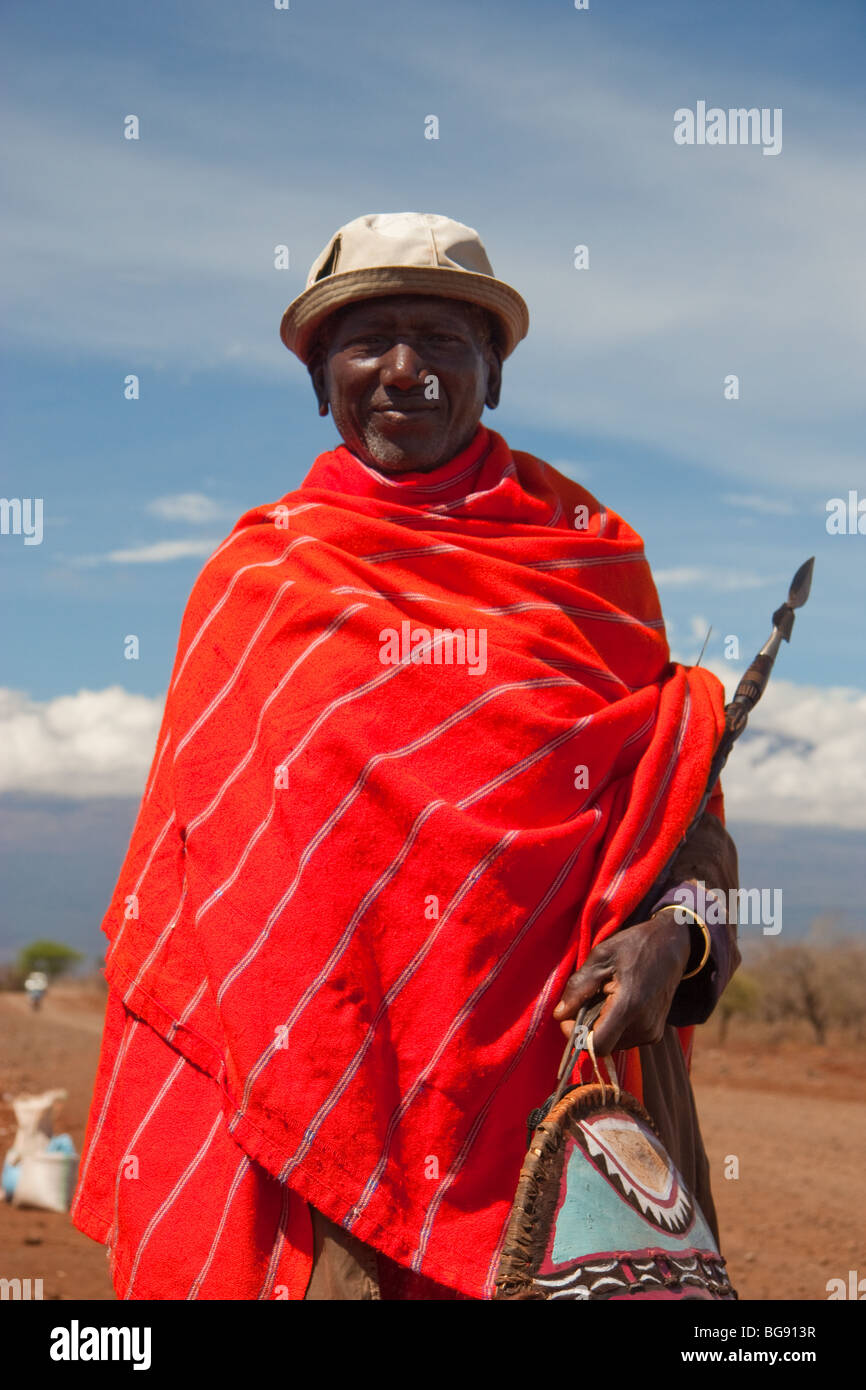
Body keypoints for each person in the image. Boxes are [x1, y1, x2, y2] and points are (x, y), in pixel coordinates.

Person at [71, 212, 740, 1301]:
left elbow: (687, 822)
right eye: (365, 336)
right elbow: (196, 885)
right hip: (309, 1108)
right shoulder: (258, 582)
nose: (401, 367)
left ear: (493, 369)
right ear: (316, 375)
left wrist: (675, 939)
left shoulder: (590, 571)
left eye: (438, 335)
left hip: (546, 1113)